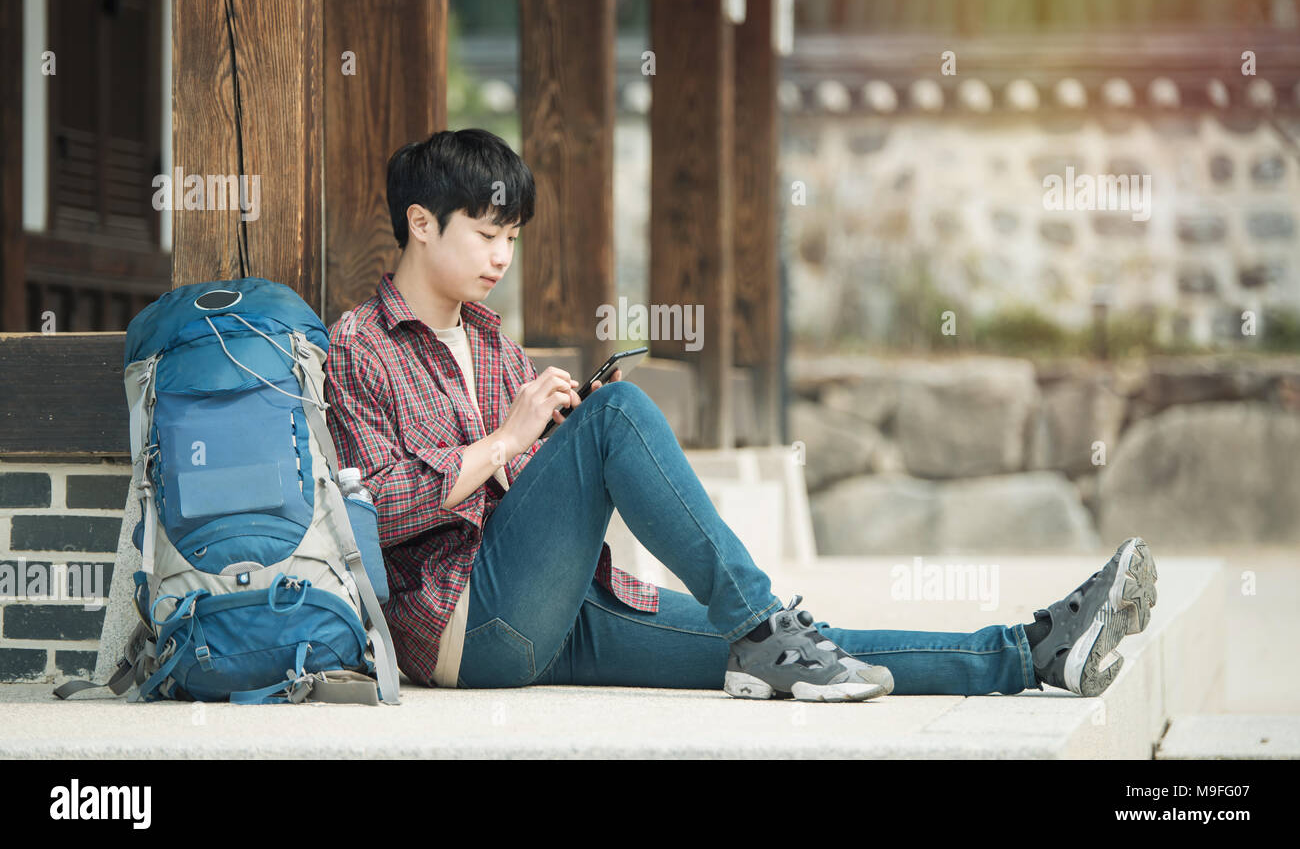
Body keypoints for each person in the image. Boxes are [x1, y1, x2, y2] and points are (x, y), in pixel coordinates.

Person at [324, 129, 1159, 703]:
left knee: (807, 648)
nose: (503, 257)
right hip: (467, 628)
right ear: (421, 224)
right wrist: (508, 437)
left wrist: (539, 447)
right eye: (486, 233)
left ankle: (1031, 651)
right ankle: (762, 622)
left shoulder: (489, 336)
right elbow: (385, 509)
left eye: (513, 235)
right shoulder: (359, 345)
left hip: (561, 604)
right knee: (618, 417)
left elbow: (513, 490)